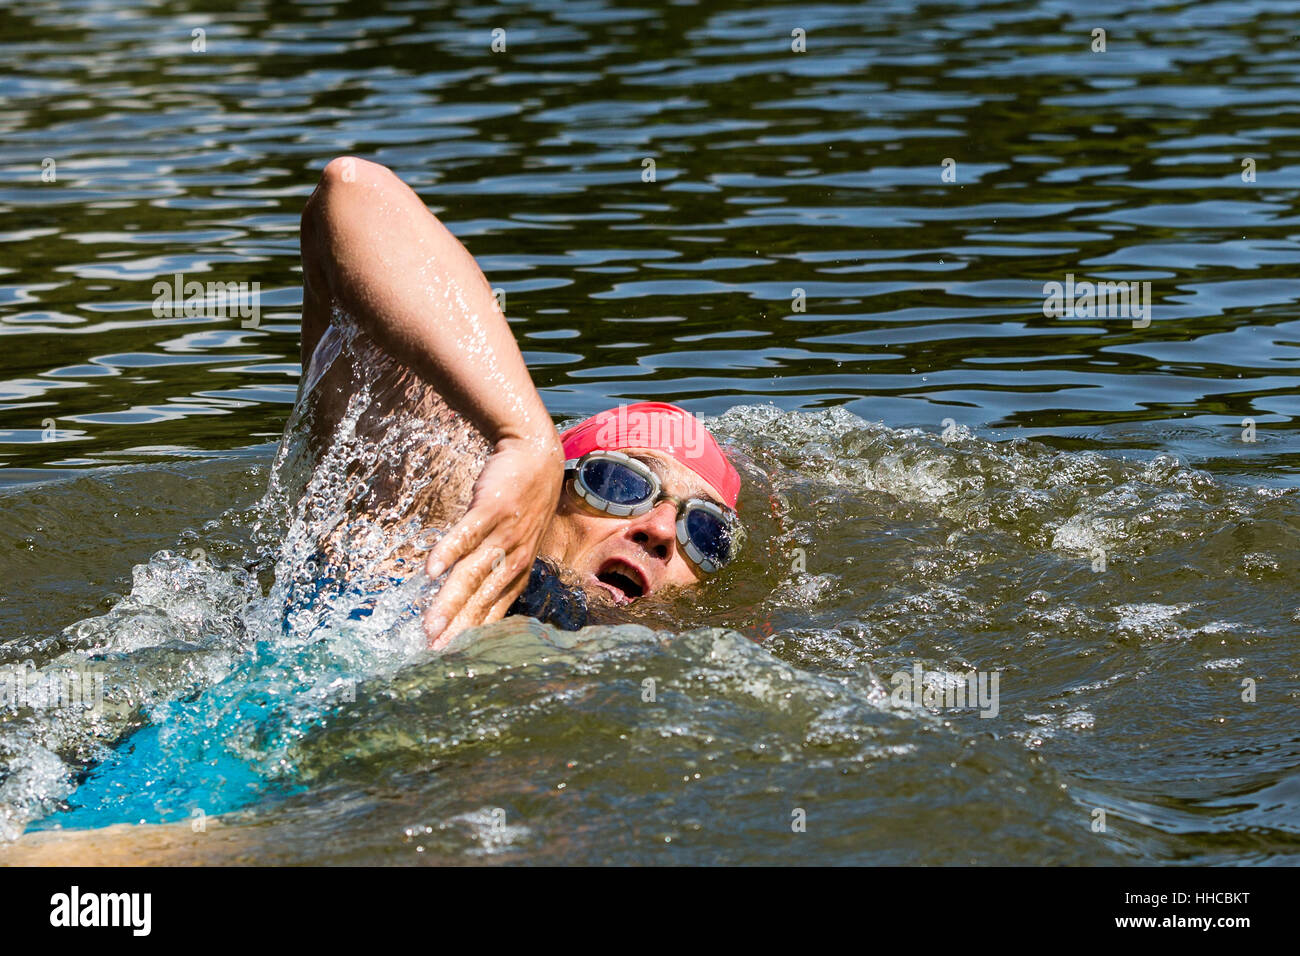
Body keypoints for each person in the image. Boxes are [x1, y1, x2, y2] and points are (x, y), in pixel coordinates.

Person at [297, 157, 745, 649]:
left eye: (705, 533)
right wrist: (524, 439)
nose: (660, 530)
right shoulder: (430, 545)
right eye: (621, 482)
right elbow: (353, 190)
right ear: (545, 492)